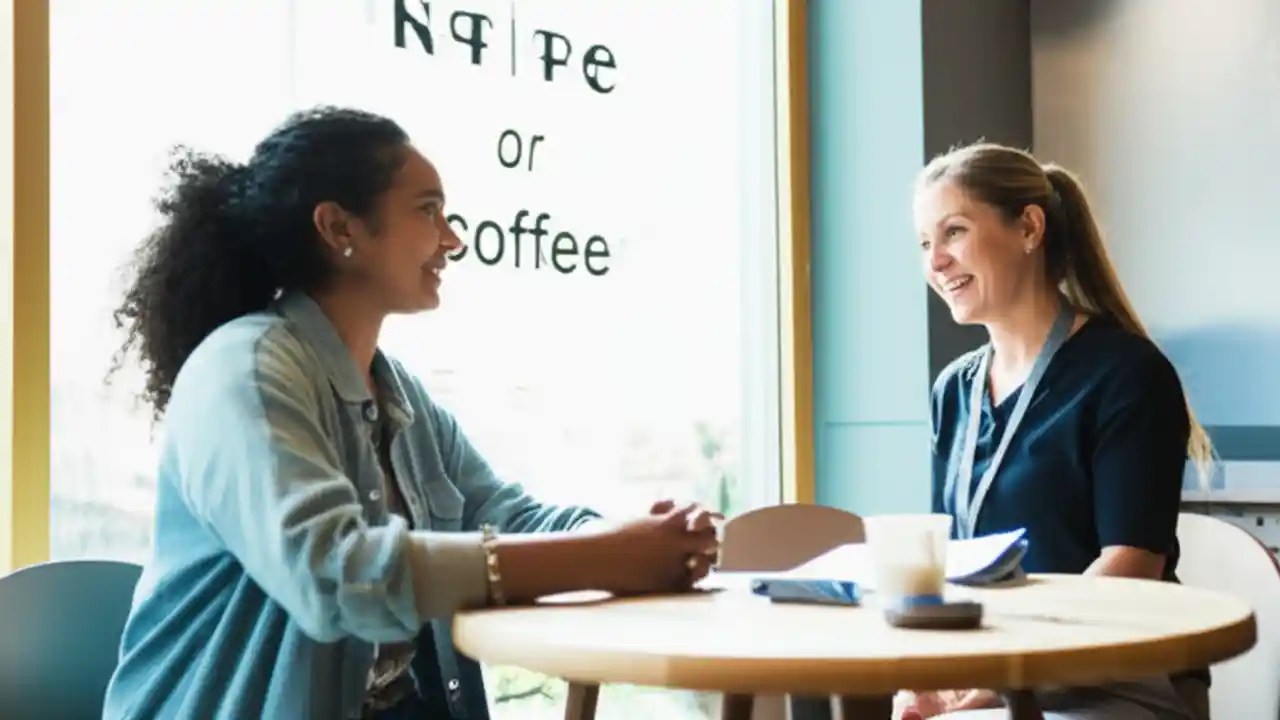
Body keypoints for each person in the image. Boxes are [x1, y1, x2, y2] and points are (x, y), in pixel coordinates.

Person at [101, 106, 720, 720]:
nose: (451, 237)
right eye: (428, 211)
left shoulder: (397, 394)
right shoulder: (243, 371)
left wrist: (643, 535)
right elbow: (335, 577)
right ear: (340, 229)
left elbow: (507, 514)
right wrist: (607, 555)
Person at [895, 142, 1214, 720]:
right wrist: (933, 676)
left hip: (1115, 679)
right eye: (924, 243)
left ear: (1029, 228)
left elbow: (1130, 570)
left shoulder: (1126, 374)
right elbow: (948, 560)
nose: (935, 261)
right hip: (995, 675)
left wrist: (1004, 678)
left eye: (955, 233)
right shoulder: (954, 390)